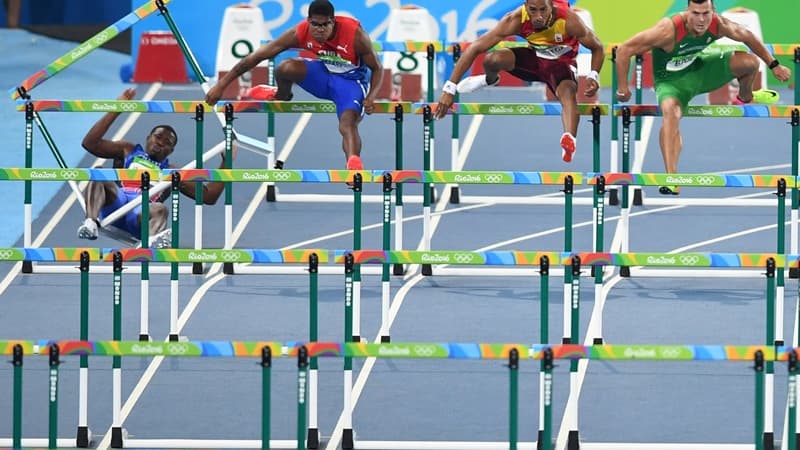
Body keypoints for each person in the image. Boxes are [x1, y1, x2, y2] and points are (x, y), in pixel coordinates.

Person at [615, 0, 792, 195]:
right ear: (687, 12)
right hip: (671, 82)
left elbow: (748, 37)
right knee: (670, 112)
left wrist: (774, 65)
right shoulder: (667, 30)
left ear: (713, 11)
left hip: (700, 70)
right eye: (696, 13)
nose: (701, 19)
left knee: (749, 62)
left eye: (705, 13)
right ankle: (671, 178)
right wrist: (623, 88)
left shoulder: (718, 24)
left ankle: (746, 95)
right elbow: (625, 50)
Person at [205, 0, 382, 172]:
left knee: (347, 123)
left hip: (350, 83)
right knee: (285, 68)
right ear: (308, 21)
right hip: (323, 75)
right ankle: (281, 95)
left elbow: (377, 68)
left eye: (325, 25)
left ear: (333, 22)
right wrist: (221, 85)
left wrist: (371, 97)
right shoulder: (299, 32)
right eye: (315, 24)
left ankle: (353, 166)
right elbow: (256, 57)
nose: (319, 29)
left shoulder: (355, 35)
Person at [434, 0, 604, 163]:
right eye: (532, 10)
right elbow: (475, 47)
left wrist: (593, 75)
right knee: (492, 60)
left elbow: (597, 47)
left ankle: (569, 139)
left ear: (551, 6)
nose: (538, 16)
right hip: (533, 61)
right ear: (525, 6)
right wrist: (449, 89)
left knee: (568, 92)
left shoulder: (569, 20)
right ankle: (489, 80)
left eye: (543, 10)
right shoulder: (515, 19)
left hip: (561, 66)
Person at [77, 88, 231, 248]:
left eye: (167, 143)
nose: (160, 143)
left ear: (171, 151)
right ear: (148, 138)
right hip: (116, 205)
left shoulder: (172, 173)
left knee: (160, 209)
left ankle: (151, 242)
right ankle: (90, 223)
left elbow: (209, 196)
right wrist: (117, 108)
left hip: (141, 215)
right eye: (158, 137)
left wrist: (227, 162)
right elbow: (90, 143)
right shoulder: (127, 150)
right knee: (98, 172)